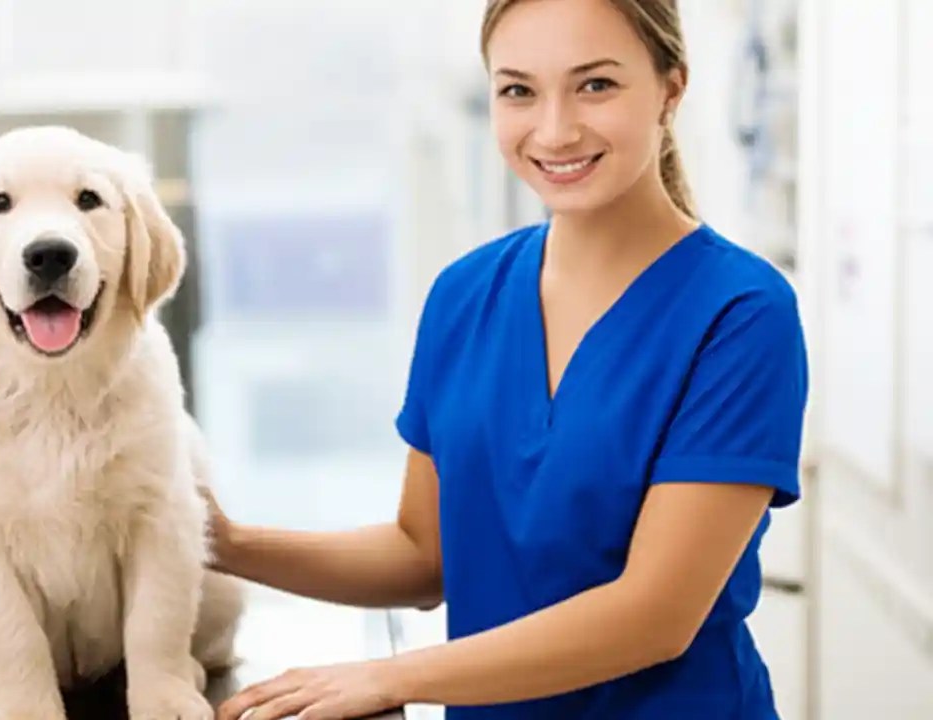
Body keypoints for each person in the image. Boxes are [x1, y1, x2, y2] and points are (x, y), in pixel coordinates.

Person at [207, 0, 809, 718]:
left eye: (596, 85)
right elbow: (423, 555)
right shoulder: (463, 296)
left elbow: (654, 615)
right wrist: (224, 543)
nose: (554, 130)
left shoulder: (739, 312)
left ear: (670, 89)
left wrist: (389, 678)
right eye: (519, 90)